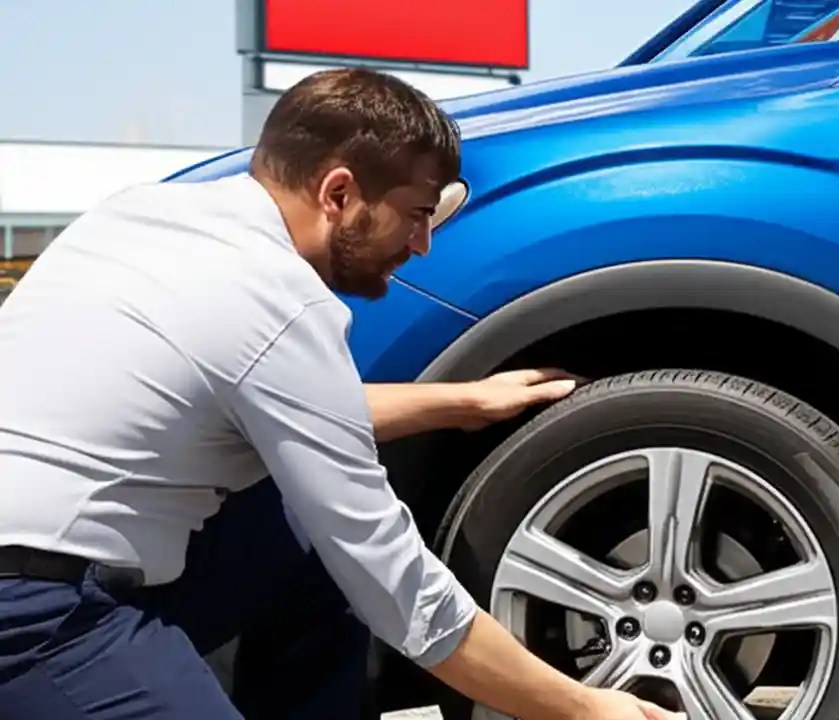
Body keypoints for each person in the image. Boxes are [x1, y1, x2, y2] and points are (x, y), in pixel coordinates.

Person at [0, 68, 680, 720]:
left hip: (43, 565)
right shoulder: (274, 298)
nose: (421, 244)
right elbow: (396, 583)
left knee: (301, 543)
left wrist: (464, 401)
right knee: (347, 554)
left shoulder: (141, 217)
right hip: (35, 611)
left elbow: (295, 417)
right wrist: (582, 707)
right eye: (416, 214)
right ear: (338, 193)